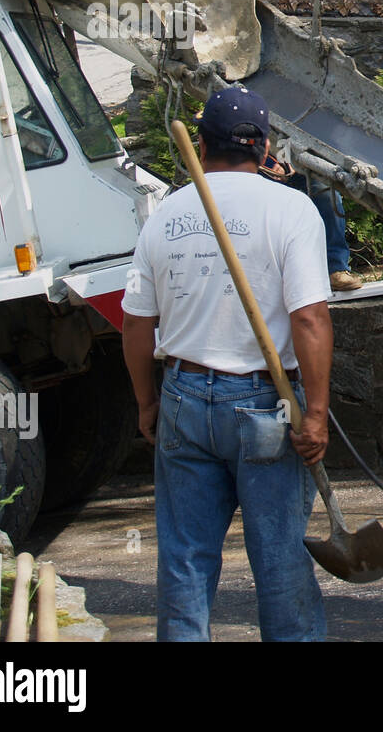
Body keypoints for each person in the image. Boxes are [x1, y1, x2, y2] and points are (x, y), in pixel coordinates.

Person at [122, 86, 333, 642]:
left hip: (183, 399)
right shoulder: (290, 209)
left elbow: (136, 324)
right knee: (281, 560)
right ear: (263, 146)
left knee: (186, 559)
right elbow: (310, 318)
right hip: (266, 407)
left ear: (201, 144)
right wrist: (316, 413)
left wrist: (147, 402)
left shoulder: (164, 215)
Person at [259, 150, 364, 291]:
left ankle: (335, 269)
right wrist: (271, 163)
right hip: (256, 165)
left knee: (327, 195)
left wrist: (286, 159)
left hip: (296, 159)